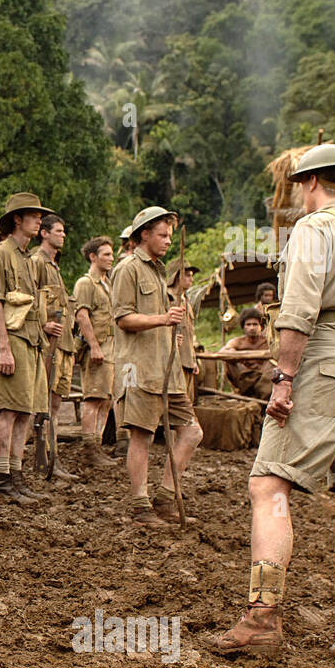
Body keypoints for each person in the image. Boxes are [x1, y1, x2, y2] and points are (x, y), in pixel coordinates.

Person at [212, 143, 335, 664]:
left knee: (267, 483)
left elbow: (298, 311)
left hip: (326, 364)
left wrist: (283, 380)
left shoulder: (314, 229)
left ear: (310, 184)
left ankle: (261, 617)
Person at [111, 206, 203, 525]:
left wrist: (169, 333)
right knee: (142, 437)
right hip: (139, 370)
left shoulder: (158, 270)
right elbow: (123, 318)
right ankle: (140, 506)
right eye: (162, 235)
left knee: (191, 432)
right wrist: (162, 319)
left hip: (167, 371)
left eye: (170, 235)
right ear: (144, 234)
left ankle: (165, 498)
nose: (167, 241)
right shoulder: (128, 269)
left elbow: (156, 319)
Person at [0, 193, 52, 503]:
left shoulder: (28, 258)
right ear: (17, 220)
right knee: (9, 410)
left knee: (26, 411)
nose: (39, 220)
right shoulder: (1, 254)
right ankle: (1, 478)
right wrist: (4, 348)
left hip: (33, 341)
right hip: (14, 341)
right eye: (33, 215)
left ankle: (16, 474)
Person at [32, 213, 79, 482]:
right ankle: (43, 458)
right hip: (48, 345)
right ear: (44, 233)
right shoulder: (37, 263)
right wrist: (43, 326)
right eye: (58, 231)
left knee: (57, 404)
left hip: (64, 345)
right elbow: (29, 302)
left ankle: (53, 458)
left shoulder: (54, 265)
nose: (63, 236)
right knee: (43, 404)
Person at [73, 236, 118, 467]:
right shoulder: (86, 283)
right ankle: (89, 448)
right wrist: (94, 346)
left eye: (111, 254)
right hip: (98, 347)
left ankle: (97, 445)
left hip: (111, 347)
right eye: (106, 254)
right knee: (93, 398)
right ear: (93, 257)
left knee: (105, 399)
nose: (111, 258)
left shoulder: (106, 283)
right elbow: (82, 315)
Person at [166, 258, 201, 405]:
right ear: (176, 276)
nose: (191, 279)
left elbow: (189, 333)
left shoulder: (186, 300)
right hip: (171, 358)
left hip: (186, 359)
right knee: (174, 402)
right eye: (187, 275)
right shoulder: (166, 298)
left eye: (192, 275)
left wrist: (193, 359)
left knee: (188, 401)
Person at [222, 308, 273, 399]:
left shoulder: (267, 342)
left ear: (261, 326)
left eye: (255, 324)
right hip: (244, 378)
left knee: (272, 363)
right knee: (229, 360)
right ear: (243, 327)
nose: (252, 328)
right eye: (248, 325)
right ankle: (247, 390)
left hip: (264, 378)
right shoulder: (238, 342)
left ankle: (262, 392)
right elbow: (223, 352)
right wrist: (234, 354)